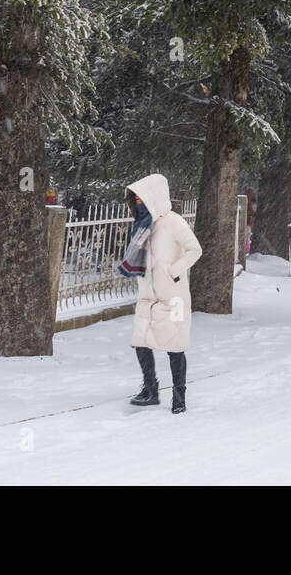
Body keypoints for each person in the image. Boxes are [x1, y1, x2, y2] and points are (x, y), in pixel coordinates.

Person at [121, 174, 202, 414]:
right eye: (134, 199)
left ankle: (179, 398)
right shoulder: (142, 225)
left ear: (154, 197)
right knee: (140, 342)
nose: (137, 203)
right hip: (148, 296)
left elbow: (194, 250)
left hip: (173, 297)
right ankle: (150, 390)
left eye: (141, 198)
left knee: (175, 348)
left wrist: (173, 271)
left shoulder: (173, 221)